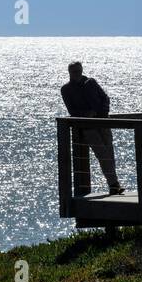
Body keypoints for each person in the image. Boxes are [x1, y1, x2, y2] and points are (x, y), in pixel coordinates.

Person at [60, 61, 124, 194]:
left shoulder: (91, 82)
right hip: (87, 126)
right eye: (74, 71)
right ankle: (114, 184)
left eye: (79, 70)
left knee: (109, 153)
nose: (77, 74)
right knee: (102, 153)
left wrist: (103, 114)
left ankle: (114, 184)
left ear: (82, 70)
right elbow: (72, 110)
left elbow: (105, 98)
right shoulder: (66, 89)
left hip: (103, 122)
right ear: (69, 73)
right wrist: (87, 114)